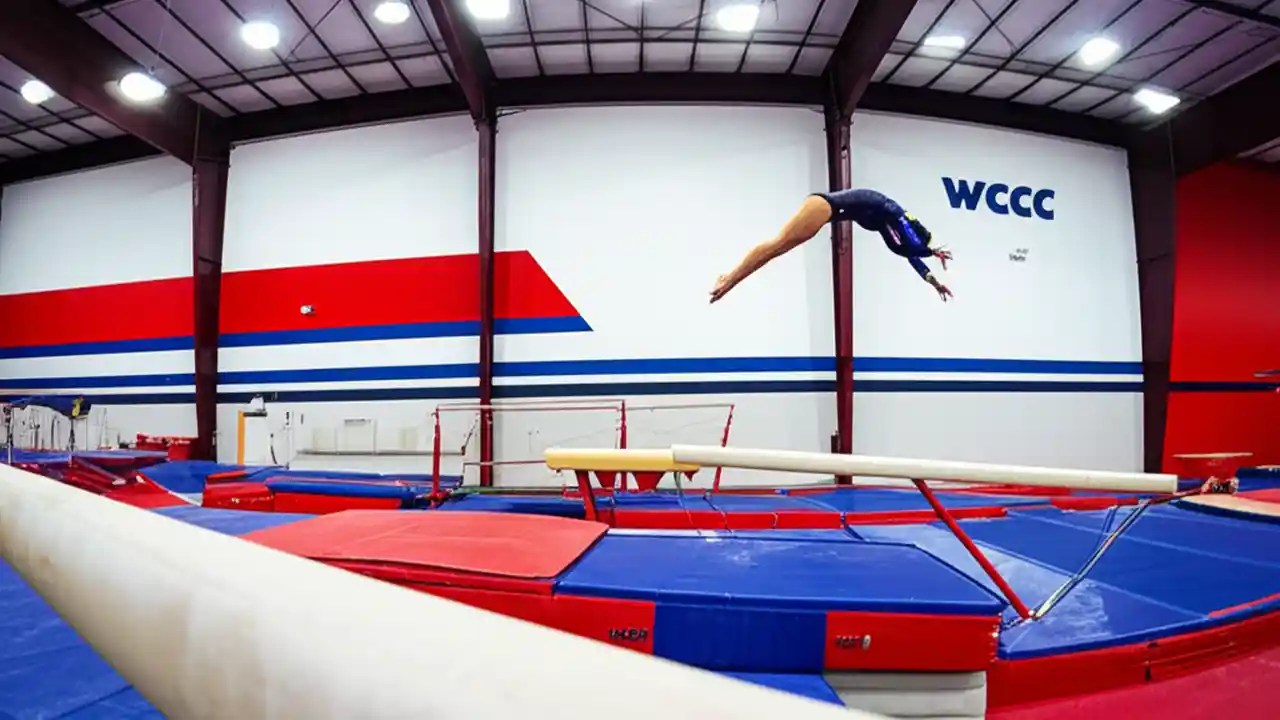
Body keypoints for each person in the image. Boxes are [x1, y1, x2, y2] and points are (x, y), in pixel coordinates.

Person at [709, 189, 953, 303]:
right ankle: (728, 280)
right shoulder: (895, 212)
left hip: (824, 212)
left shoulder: (887, 227)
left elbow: (908, 254)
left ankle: (728, 280)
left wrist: (934, 283)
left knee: (778, 249)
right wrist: (931, 250)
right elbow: (910, 236)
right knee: (776, 246)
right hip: (823, 206)